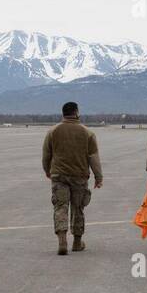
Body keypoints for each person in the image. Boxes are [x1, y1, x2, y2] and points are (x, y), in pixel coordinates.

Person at [42, 101, 104, 254]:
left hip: (59, 176)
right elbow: (93, 157)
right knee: (78, 208)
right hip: (79, 176)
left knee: (60, 207)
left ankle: (62, 240)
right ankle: (77, 242)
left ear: (63, 113)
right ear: (76, 112)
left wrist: (47, 170)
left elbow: (46, 154)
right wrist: (98, 176)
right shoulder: (87, 133)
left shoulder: (53, 131)